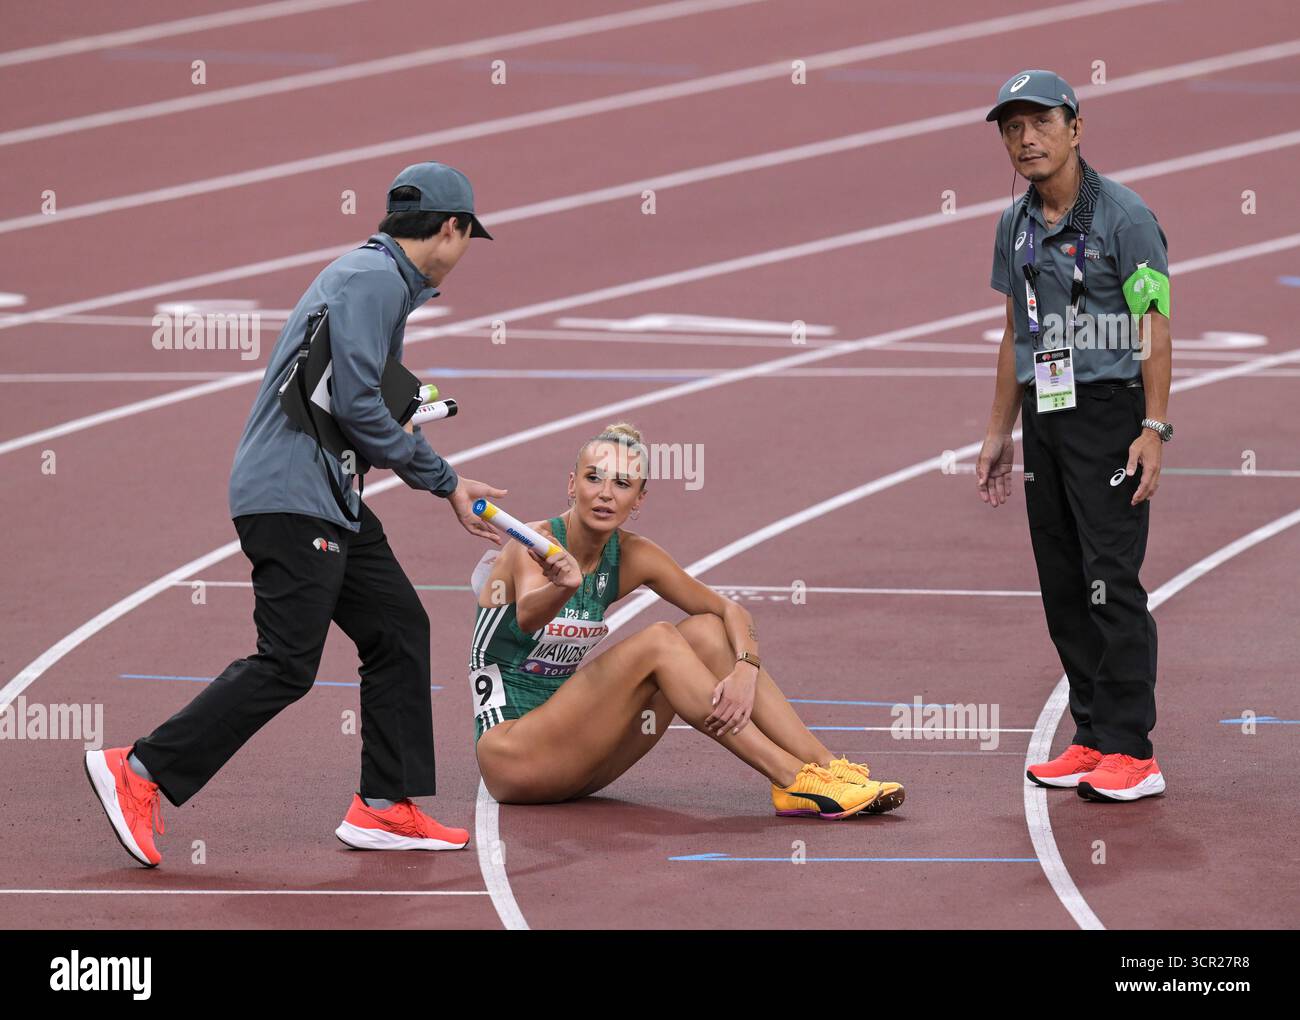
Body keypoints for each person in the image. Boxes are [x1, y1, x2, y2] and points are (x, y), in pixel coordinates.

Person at [85, 162, 507, 866]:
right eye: (468, 237)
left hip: (330, 496)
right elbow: (359, 408)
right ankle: (140, 770)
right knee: (287, 663)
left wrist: (439, 459)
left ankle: (383, 805)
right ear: (451, 228)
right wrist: (442, 479)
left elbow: (371, 391)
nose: (464, 252)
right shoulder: (373, 281)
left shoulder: (376, 280)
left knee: (398, 624)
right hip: (291, 497)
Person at [467, 423, 906, 819]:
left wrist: (745, 669)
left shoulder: (633, 555)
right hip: (513, 758)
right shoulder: (534, 542)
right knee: (658, 640)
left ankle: (828, 767)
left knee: (704, 631)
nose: (605, 493)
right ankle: (791, 779)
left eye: (623, 484)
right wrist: (563, 584)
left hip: (577, 759)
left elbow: (730, 610)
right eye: (593, 478)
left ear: (638, 500)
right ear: (572, 484)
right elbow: (527, 616)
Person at [976, 71, 1174, 802]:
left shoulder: (1126, 218)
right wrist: (998, 430)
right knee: (1063, 581)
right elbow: (1013, 333)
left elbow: (1154, 325)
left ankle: (1134, 752)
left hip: (1112, 414)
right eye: (1011, 128)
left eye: (1040, 124)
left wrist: (1153, 428)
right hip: (1046, 413)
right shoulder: (1015, 224)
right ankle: (1092, 734)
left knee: (1110, 581)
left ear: (1076, 128)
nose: (1025, 139)